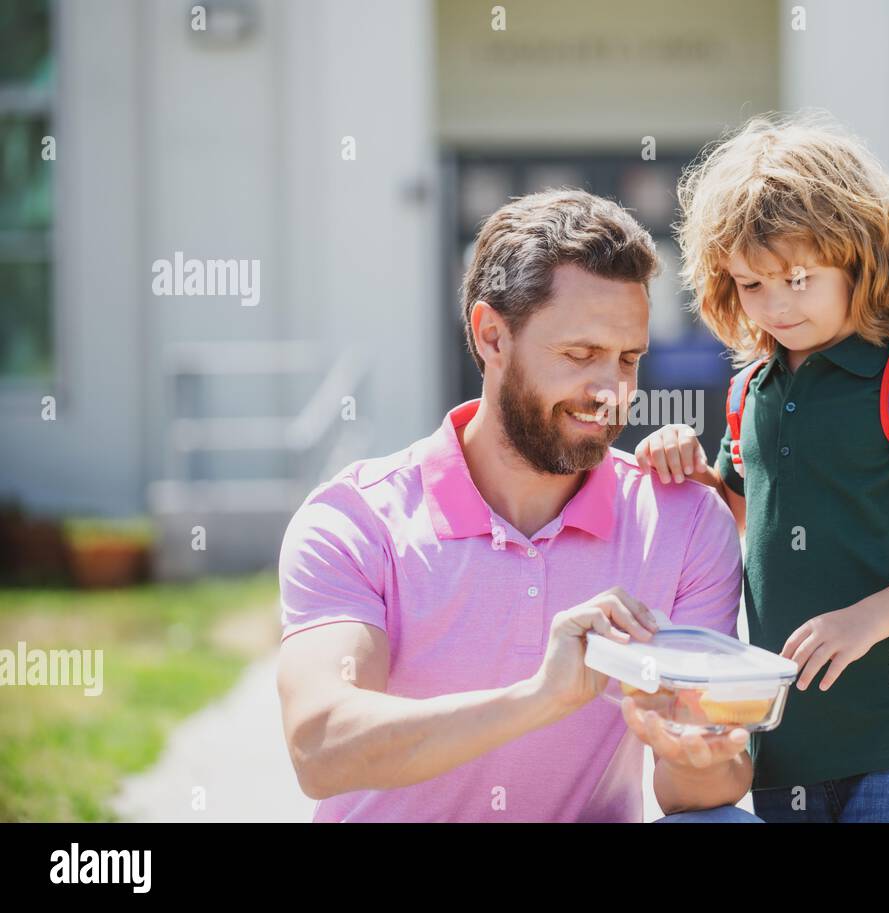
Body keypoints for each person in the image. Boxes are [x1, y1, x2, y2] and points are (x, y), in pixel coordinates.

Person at [276, 189, 760, 822]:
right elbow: (320, 747)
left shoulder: (685, 521)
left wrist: (698, 757)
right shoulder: (356, 520)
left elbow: (692, 793)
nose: (611, 392)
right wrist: (540, 697)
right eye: (580, 355)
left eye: (628, 360)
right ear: (491, 336)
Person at [635, 114, 889, 822]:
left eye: (798, 278)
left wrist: (863, 621)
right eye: (751, 285)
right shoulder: (749, 394)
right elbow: (731, 522)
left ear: (860, 259)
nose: (776, 305)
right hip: (786, 746)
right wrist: (679, 458)